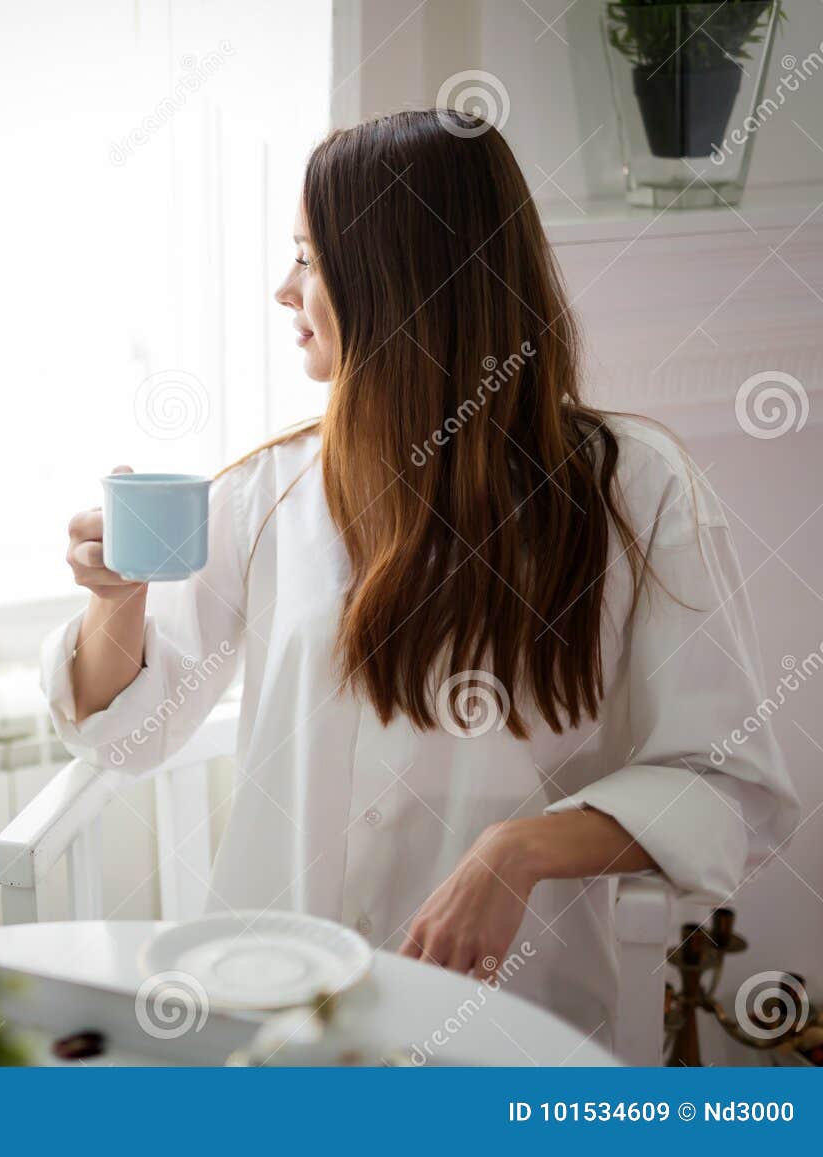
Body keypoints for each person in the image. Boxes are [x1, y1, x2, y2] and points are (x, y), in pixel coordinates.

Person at [45, 109, 800, 1042]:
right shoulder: (266, 493)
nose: (285, 290)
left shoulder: (634, 490)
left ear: (401, 283)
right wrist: (115, 600)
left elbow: (731, 788)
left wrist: (517, 851)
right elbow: (126, 734)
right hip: (282, 1016)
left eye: (310, 260)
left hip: (512, 1024)